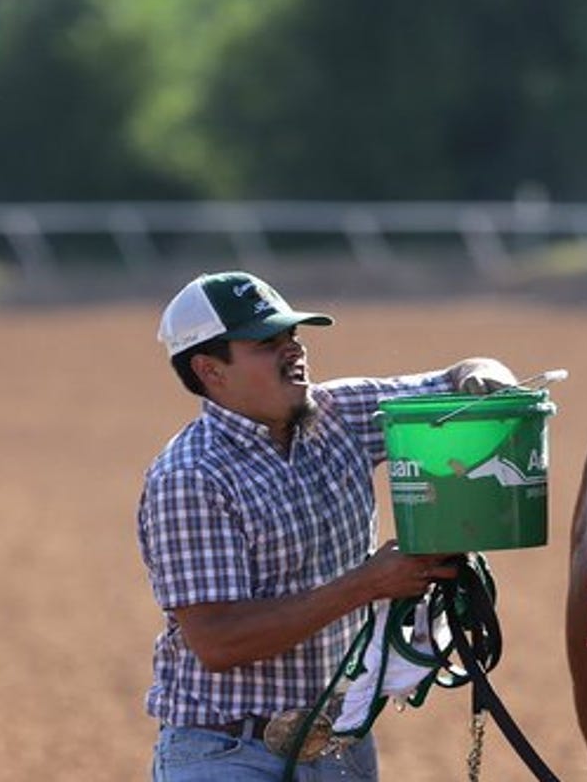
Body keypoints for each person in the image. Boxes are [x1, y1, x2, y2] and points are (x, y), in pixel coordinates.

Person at [137, 270, 516, 781]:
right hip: (227, 754)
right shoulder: (190, 477)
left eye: (293, 336)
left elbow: (458, 379)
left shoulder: (341, 413)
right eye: (267, 343)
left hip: (339, 744)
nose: (294, 350)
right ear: (210, 370)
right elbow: (219, 641)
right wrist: (368, 584)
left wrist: (487, 375)